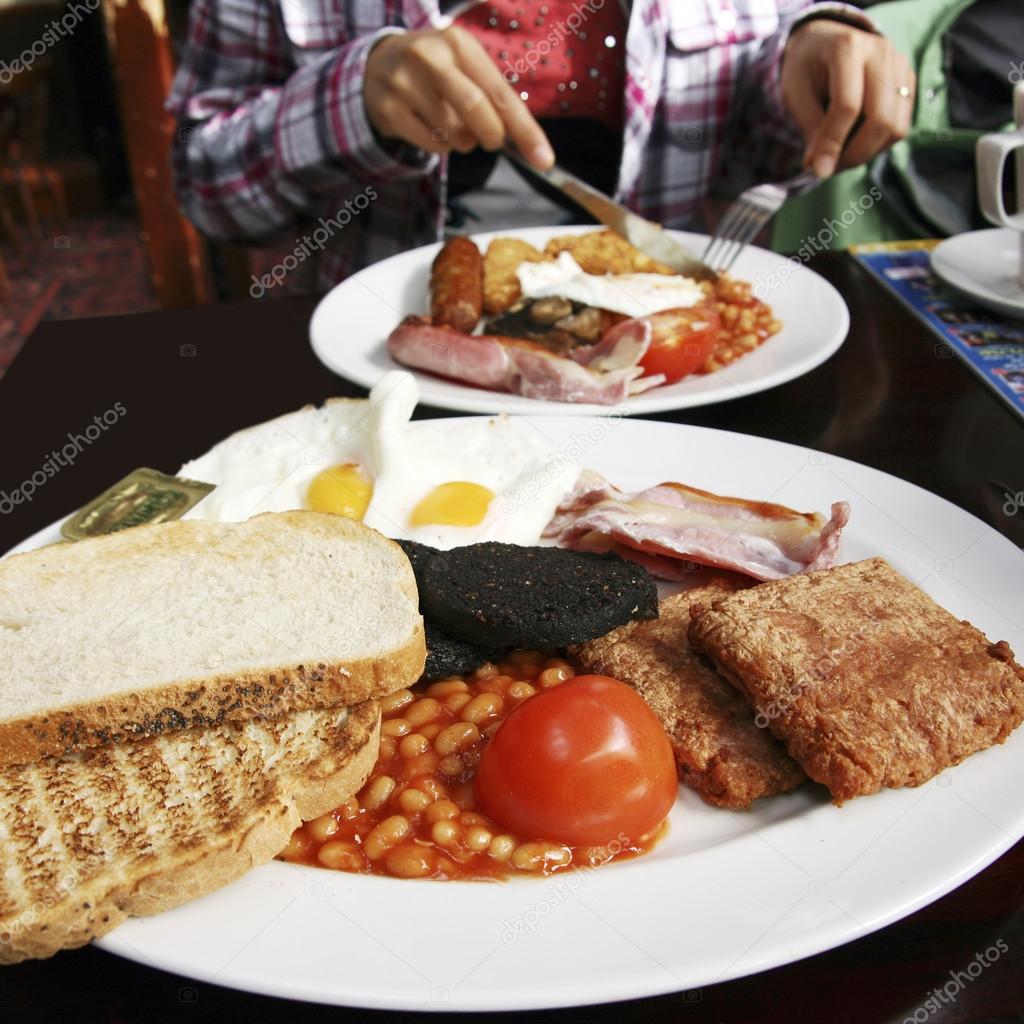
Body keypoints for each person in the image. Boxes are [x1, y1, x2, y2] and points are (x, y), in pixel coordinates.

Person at [167, 0, 914, 291]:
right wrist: (350, 103)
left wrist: (809, 62)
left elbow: (760, 144)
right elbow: (211, 195)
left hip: (679, 381)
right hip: (379, 376)